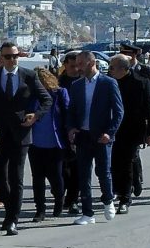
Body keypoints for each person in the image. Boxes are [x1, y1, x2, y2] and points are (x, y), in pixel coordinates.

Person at [0, 41, 52, 236]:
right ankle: (8, 202)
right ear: (1, 58)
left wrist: (35, 115)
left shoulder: (28, 76)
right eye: (8, 57)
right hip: (0, 132)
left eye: (15, 56)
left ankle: (12, 218)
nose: (12, 60)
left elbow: (47, 99)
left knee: (16, 175)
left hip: (21, 132)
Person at [67, 50, 124, 225]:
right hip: (83, 135)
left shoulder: (108, 83)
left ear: (91, 63)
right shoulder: (76, 85)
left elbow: (119, 111)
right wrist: (71, 128)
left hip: (102, 136)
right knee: (83, 174)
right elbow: (71, 110)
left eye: (81, 64)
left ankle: (108, 200)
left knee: (103, 171)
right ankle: (87, 213)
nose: (78, 68)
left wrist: (110, 132)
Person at [107, 53, 150, 213]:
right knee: (113, 164)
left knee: (127, 164)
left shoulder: (140, 82)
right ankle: (117, 190)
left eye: (112, 67)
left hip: (132, 130)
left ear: (122, 68)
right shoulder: (109, 83)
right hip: (113, 129)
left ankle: (125, 199)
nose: (110, 70)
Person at [27, 67, 69, 221]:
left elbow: (67, 112)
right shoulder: (31, 96)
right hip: (35, 143)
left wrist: (70, 133)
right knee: (37, 177)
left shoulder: (59, 93)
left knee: (55, 176)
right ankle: (40, 210)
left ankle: (59, 201)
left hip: (55, 142)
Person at [119, 41, 150, 197]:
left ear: (134, 55)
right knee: (127, 155)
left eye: (127, 53)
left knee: (133, 154)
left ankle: (136, 180)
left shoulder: (145, 71)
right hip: (122, 121)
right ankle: (128, 183)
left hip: (138, 120)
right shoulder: (117, 71)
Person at [58, 51, 82, 213]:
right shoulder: (57, 82)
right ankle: (63, 194)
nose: (75, 69)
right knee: (62, 168)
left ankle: (73, 199)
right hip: (60, 129)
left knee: (77, 167)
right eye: (72, 66)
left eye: (78, 66)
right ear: (65, 65)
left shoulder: (84, 82)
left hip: (80, 130)